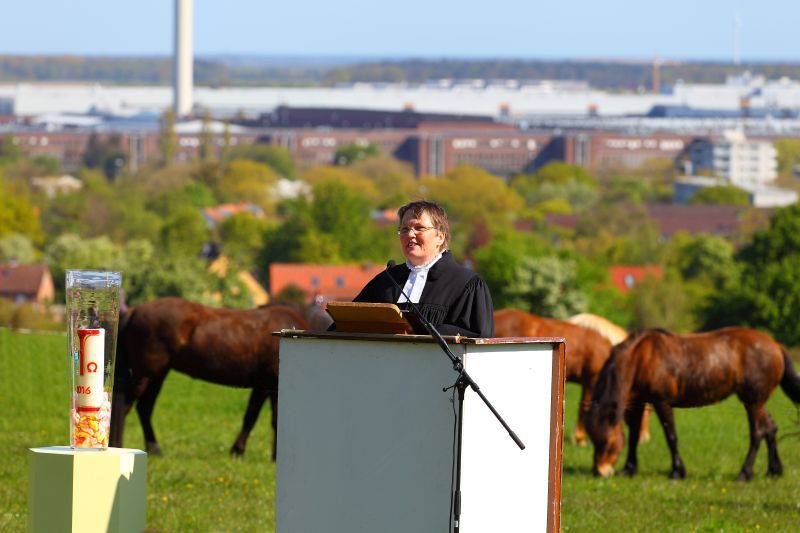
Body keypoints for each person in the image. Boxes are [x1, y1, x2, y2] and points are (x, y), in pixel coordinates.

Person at [353, 200, 494, 338]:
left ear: (440, 236)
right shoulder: (386, 280)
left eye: (419, 228)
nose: (410, 234)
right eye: (404, 229)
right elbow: (348, 322)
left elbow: (477, 337)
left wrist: (420, 331)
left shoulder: (466, 284)